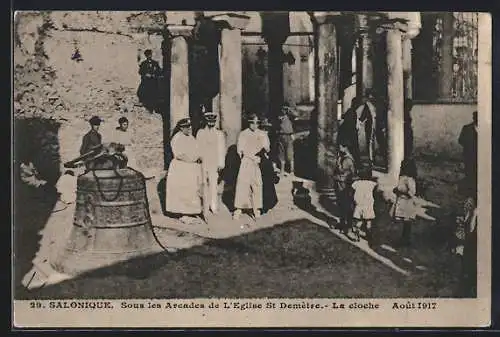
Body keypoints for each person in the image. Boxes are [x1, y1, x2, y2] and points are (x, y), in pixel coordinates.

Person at [165, 118, 204, 224]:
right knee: (183, 189)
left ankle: (190, 211)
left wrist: (199, 156)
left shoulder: (191, 137)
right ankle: (182, 213)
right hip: (181, 167)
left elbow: (197, 149)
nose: (189, 129)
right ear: (181, 128)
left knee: (191, 189)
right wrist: (193, 159)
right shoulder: (177, 138)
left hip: (190, 167)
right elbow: (179, 154)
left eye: (190, 126)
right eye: (187, 127)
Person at [233, 114, 270, 220]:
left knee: (257, 184)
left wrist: (264, 141)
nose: (254, 125)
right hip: (246, 161)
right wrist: (247, 157)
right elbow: (240, 150)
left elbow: (267, 148)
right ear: (249, 123)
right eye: (252, 123)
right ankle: (238, 208)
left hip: (257, 162)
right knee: (242, 184)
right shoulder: (243, 134)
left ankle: (256, 208)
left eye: (257, 123)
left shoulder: (262, 133)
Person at [196, 111, 226, 215]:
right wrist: (198, 158)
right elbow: (198, 147)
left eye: (213, 121)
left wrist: (221, 163)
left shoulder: (219, 134)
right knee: (203, 184)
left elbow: (222, 149)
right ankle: (204, 206)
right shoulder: (200, 133)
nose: (211, 123)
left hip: (214, 162)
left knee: (213, 184)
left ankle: (213, 206)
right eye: (209, 121)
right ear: (206, 121)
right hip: (204, 162)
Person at [391, 158, 418, 246]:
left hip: (407, 202)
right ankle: (404, 238)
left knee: (407, 221)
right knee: (405, 221)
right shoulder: (402, 178)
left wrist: (400, 191)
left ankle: (405, 239)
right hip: (402, 201)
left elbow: (412, 192)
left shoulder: (409, 179)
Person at [349, 168, 378, 243]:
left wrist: (353, 201)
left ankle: (356, 235)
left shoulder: (356, 183)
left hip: (359, 204)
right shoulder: (372, 184)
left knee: (358, 221)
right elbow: (375, 194)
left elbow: (351, 193)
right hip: (368, 205)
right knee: (368, 221)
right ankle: (369, 236)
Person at [333, 142, 356, 233]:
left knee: (346, 205)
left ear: (345, 147)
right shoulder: (342, 157)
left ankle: (348, 225)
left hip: (344, 185)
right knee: (341, 204)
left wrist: (338, 163)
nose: (339, 147)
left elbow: (343, 172)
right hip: (340, 184)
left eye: (341, 145)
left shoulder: (347, 160)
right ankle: (342, 223)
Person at [259, 118, 279, 213]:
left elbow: (272, 151)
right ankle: (265, 204)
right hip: (262, 162)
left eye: (267, 129)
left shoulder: (269, 137)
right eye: (264, 128)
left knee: (267, 183)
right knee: (265, 183)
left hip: (266, 162)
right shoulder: (261, 136)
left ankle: (268, 202)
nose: (266, 131)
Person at [458, 111, 478, 192]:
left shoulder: (487, 128)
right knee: (469, 172)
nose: (477, 120)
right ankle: (470, 191)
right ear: (473, 118)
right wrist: (469, 145)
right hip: (469, 155)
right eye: (476, 118)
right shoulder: (466, 128)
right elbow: (460, 140)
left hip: (481, 155)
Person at [338, 97, 361, 167]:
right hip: (349, 135)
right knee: (353, 151)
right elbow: (349, 125)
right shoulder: (352, 112)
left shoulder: (351, 111)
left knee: (353, 151)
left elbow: (344, 118)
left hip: (349, 134)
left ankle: (357, 164)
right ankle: (356, 165)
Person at [277, 105, 296, 176]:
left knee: (290, 154)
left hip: (289, 135)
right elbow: (278, 122)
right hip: (281, 136)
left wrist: (289, 110)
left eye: (285, 109)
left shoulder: (290, 117)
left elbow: (295, 116)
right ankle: (282, 170)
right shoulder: (279, 117)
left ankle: (292, 171)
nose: (283, 110)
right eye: (283, 109)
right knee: (281, 154)